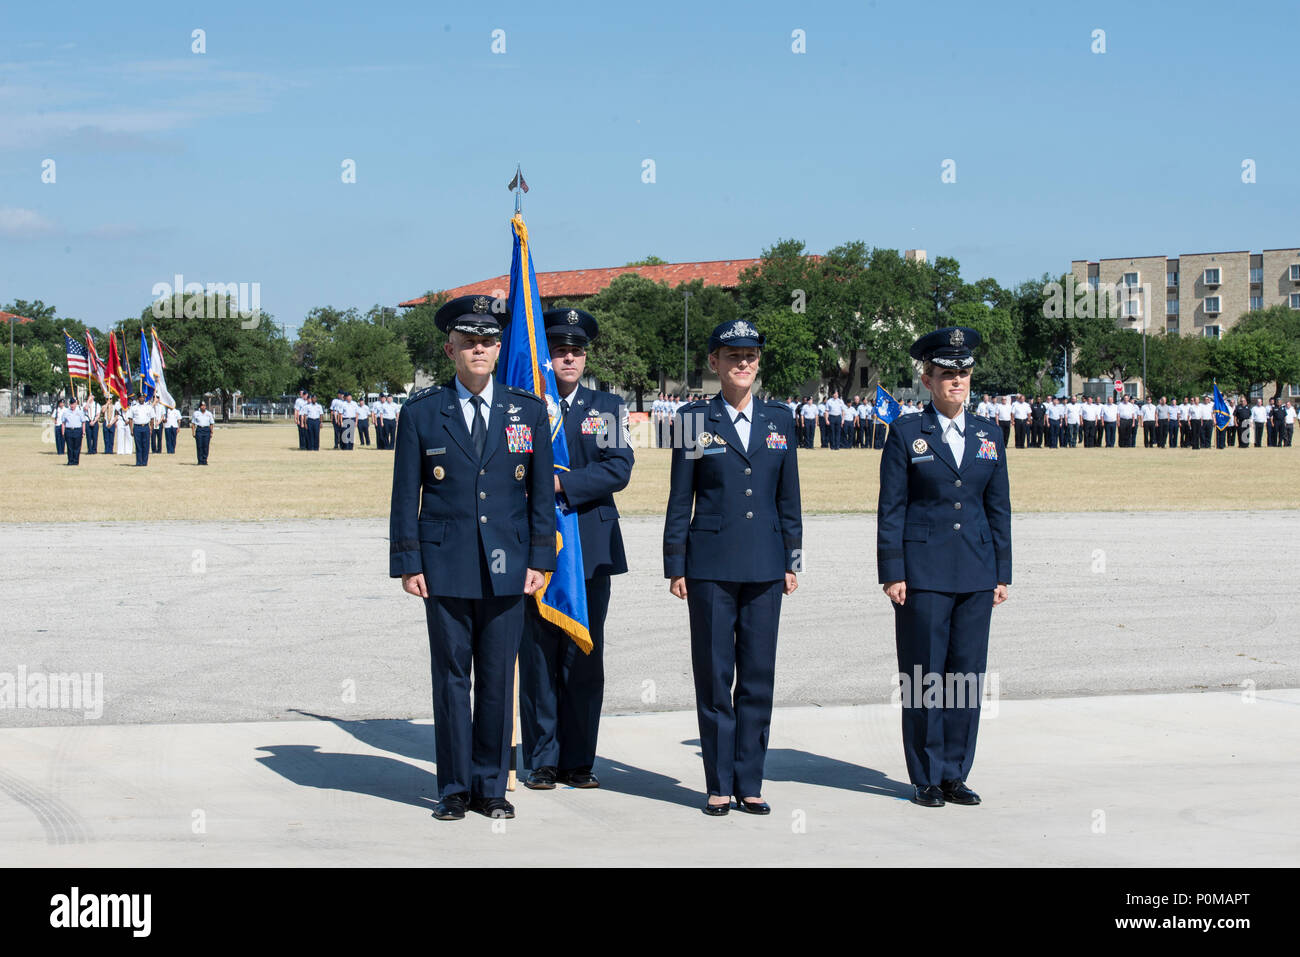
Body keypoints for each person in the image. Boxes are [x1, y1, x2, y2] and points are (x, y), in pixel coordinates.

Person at [389, 294, 556, 822]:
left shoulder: (526, 410)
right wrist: (409, 562)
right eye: (468, 342)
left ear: (498, 346)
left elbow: (539, 497)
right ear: (450, 349)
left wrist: (540, 558)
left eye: (487, 341)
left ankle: (491, 787)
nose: (478, 349)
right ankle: (454, 787)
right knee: (452, 679)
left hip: (510, 565)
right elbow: (404, 496)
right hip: (445, 565)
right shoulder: (421, 413)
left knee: (497, 680)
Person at [664, 318, 802, 816]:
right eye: (732, 356)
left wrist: (793, 559)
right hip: (711, 567)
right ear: (713, 363)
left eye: (750, 356)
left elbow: (790, 497)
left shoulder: (780, 419)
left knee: (759, 675)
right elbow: (681, 498)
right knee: (715, 674)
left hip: (766, 564)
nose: (743, 363)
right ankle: (719, 782)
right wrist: (675, 564)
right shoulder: (692, 421)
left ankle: (751, 781)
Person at [877, 326, 1011, 808]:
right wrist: (893, 572)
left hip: (976, 572)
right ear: (928, 379)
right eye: (947, 373)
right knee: (924, 675)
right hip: (923, 572)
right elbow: (891, 508)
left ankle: (956, 772)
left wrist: (1002, 572)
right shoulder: (907, 433)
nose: (958, 380)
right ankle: (926, 774)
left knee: (966, 677)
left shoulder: (988, 433)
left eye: (964, 372)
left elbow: (999, 508)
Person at [520, 308, 634, 792]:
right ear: (547, 356)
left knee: (585, 656)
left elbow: (618, 469)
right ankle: (543, 759)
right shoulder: (525, 405)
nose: (568, 358)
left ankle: (580, 759)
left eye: (576, 351)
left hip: (589, 545)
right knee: (540, 655)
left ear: (586, 357)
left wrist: (562, 484)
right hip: (536, 548)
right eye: (560, 351)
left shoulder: (606, 408)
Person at [130, 394, 154, 466]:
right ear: (138, 398)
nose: (142, 399)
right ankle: (139, 462)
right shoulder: (134, 408)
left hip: (146, 427)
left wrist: (151, 428)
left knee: (146, 445)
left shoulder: (149, 407)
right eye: (140, 397)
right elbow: (130, 419)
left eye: (143, 397)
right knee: (138, 445)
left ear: (145, 398)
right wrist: (131, 429)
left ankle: (144, 462)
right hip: (137, 427)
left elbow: (152, 419)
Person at [62, 398, 86, 465]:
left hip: (77, 430)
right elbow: (63, 423)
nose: (72, 405)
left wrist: (83, 432)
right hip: (69, 430)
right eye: (71, 404)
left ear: (76, 404)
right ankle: (70, 461)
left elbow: (83, 422)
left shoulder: (80, 412)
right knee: (69, 447)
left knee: (77, 447)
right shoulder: (66, 412)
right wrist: (63, 432)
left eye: (73, 404)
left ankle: (76, 461)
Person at [191, 400, 215, 464]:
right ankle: (200, 460)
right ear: (200, 407)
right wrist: (193, 432)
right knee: (199, 446)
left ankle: (205, 460)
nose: (203, 407)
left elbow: (211, 423)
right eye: (202, 406)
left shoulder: (209, 414)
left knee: (206, 446)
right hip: (199, 429)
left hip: (207, 430)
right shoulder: (196, 413)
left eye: (204, 406)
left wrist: (211, 432)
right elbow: (193, 424)